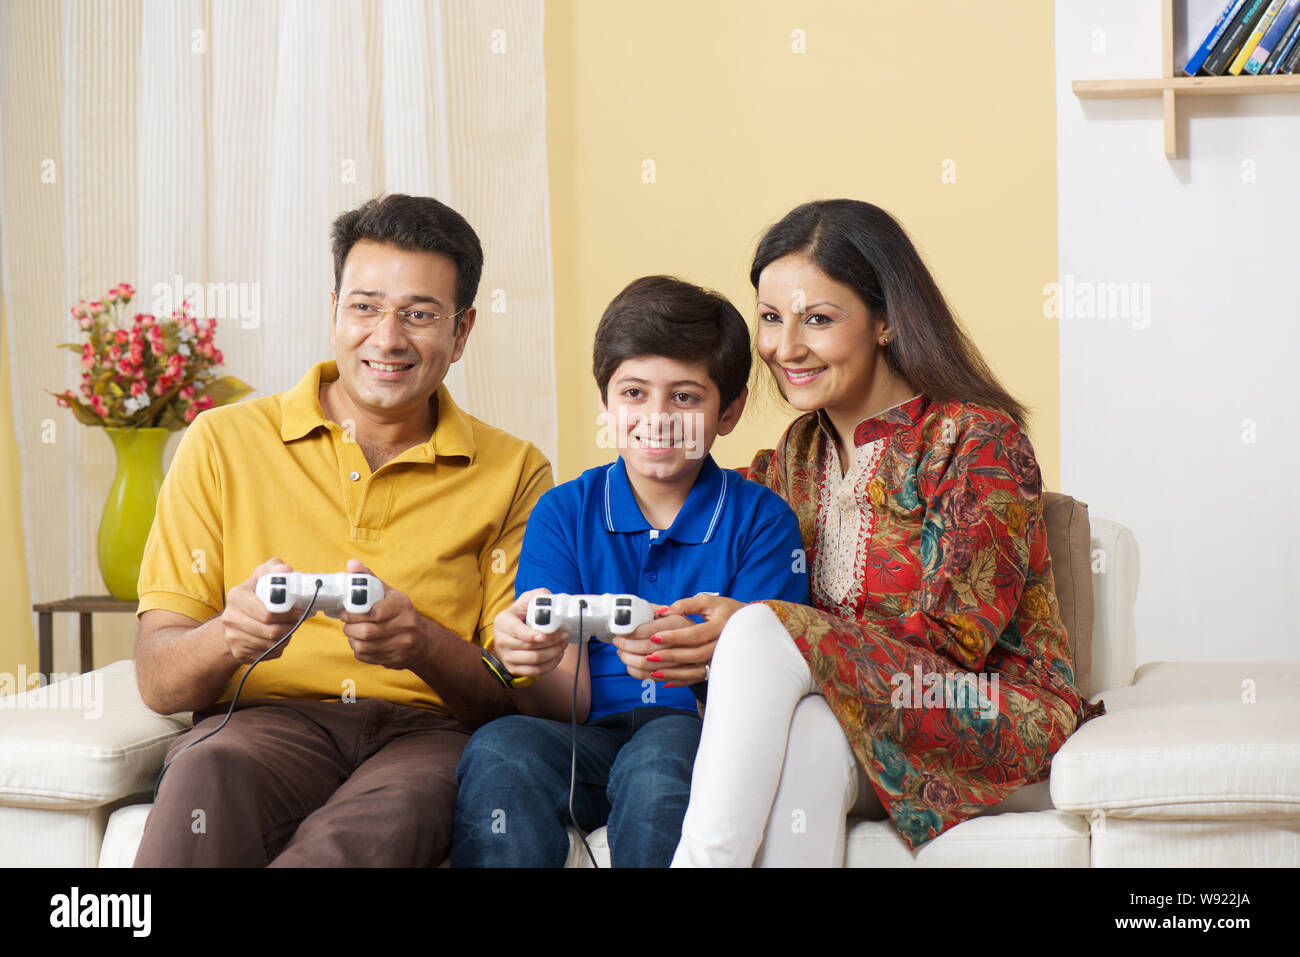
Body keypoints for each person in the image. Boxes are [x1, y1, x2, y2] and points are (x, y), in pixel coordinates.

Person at [630, 200, 1107, 866]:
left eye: (817, 319)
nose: (785, 347)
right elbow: (687, 506)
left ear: (885, 320)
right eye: (770, 318)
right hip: (856, 719)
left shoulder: (975, 439)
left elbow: (954, 642)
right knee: (813, 732)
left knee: (764, 627)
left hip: (992, 714)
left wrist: (773, 630)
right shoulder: (796, 453)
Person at [131, 194, 552, 867]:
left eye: (419, 314)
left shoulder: (515, 469)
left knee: (366, 832)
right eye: (365, 306)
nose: (387, 338)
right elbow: (158, 679)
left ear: (463, 330)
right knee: (206, 772)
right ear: (333, 311)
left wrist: (419, 641)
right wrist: (227, 636)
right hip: (265, 723)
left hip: (427, 735)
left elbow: (513, 688)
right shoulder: (223, 441)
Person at [450, 276, 808, 867]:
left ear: (731, 409)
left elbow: (761, 697)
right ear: (605, 401)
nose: (657, 418)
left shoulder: (762, 520)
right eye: (634, 393)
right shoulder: (564, 512)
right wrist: (530, 660)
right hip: (587, 733)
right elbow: (569, 701)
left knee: (660, 762)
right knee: (500, 748)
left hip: (691, 726)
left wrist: (701, 666)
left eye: (686, 398)